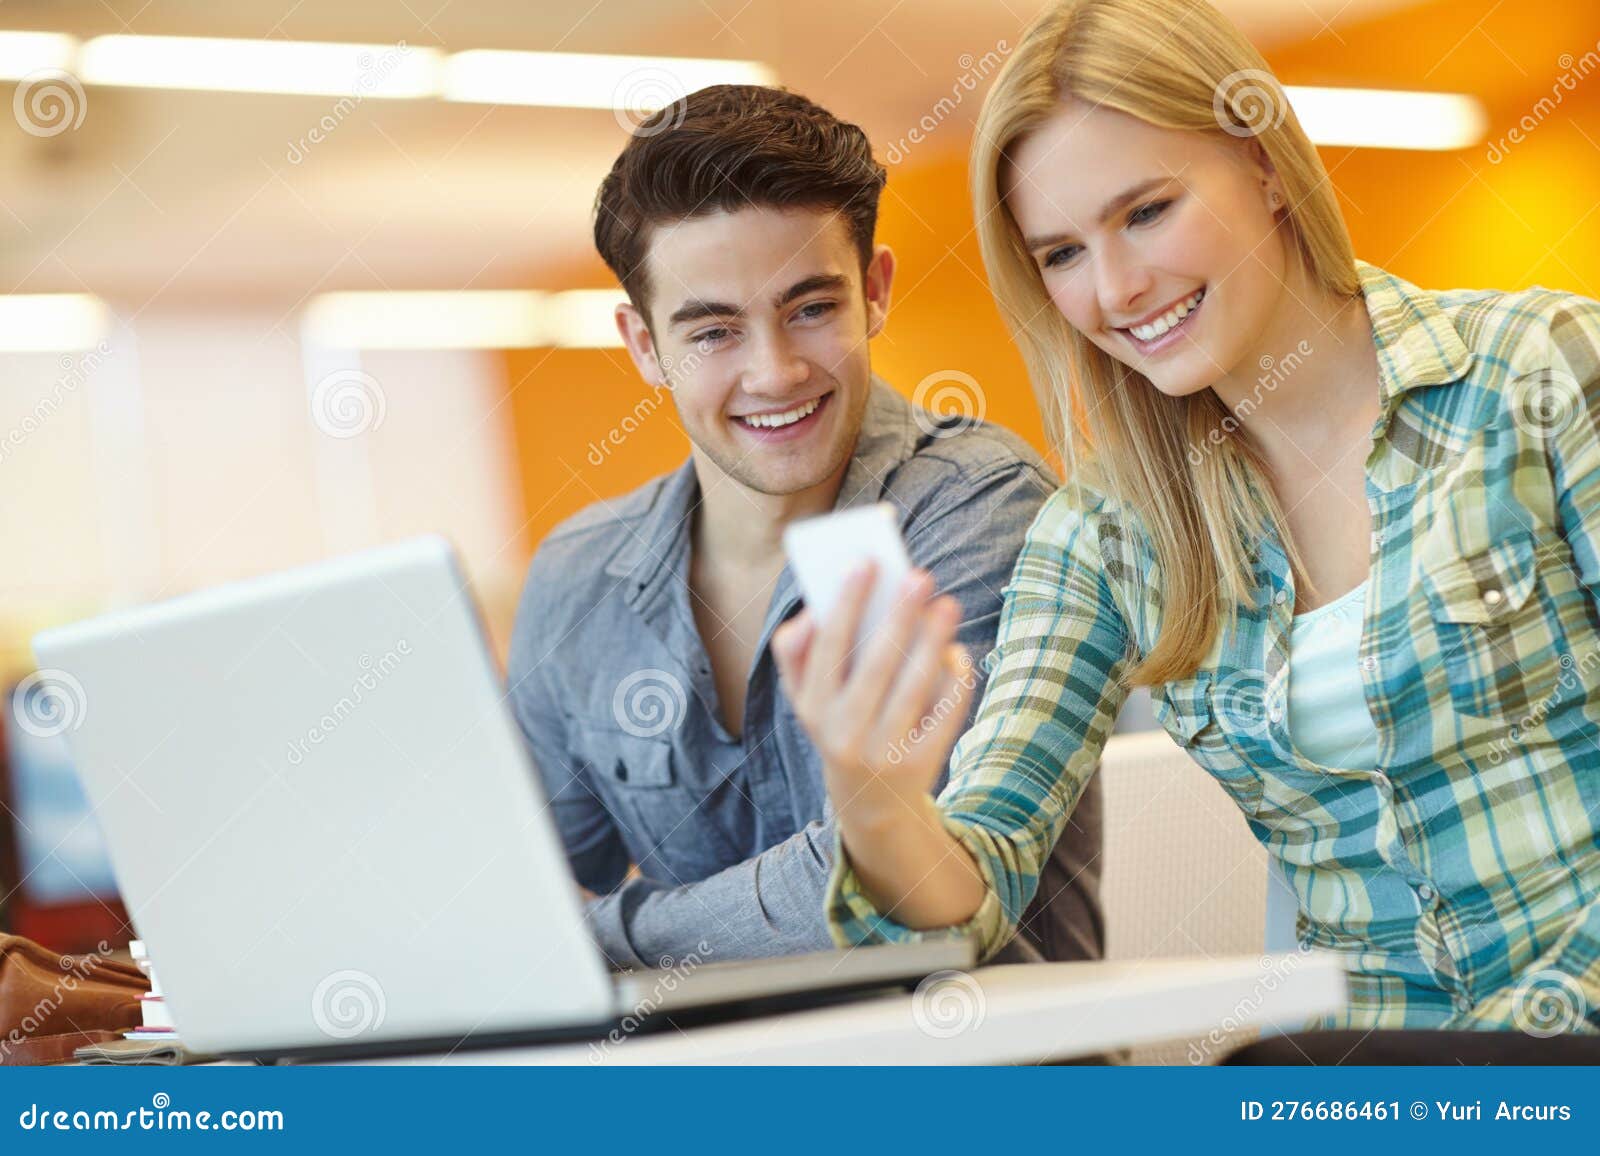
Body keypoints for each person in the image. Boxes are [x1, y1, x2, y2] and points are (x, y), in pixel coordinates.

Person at [773, 0, 1600, 1043]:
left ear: (1260, 161)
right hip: (1371, 1081)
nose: (1115, 288)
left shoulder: (1541, 373)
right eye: (1061, 253)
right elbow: (972, 888)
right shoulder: (1103, 535)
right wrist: (873, 793)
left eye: (1147, 211)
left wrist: (1509, 1061)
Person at [507, 84, 1104, 970]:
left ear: (874, 293)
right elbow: (518, 899)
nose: (775, 372)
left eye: (811, 309)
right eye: (712, 333)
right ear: (643, 347)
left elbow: (883, 882)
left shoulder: (978, 508)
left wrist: (602, 941)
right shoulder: (578, 579)